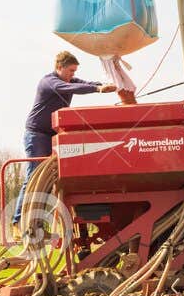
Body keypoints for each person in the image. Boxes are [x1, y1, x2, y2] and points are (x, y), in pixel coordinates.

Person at [15, 51, 116, 225]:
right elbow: (73, 88)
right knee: (34, 177)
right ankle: (18, 221)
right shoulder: (49, 82)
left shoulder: (69, 80)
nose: (73, 75)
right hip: (37, 135)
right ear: (59, 67)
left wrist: (103, 85)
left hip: (53, 135)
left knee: (48, 180)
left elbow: (83, 83)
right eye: (70, 70)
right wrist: (98, 89)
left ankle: (35, 222)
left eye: (75, 71)